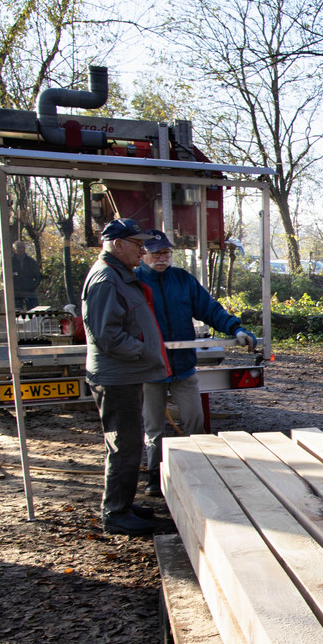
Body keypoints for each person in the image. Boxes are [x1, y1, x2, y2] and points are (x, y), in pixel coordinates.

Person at [136, 230, 256, 497]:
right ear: (142, 254)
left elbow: (210, 309)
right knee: (153, 428)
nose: (162, 258)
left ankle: (200, 470)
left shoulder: (182, 280)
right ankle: (155, 478)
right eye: (155, 253)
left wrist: (235, 330)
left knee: (195, 422)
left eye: (166, 252)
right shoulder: (133, 282)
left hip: (182, 367)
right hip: (150, 369)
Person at [81, 219, 168, 536]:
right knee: (124, 446)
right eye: (137, 244)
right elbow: (108, 336)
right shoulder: (106, 280)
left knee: (128, 444)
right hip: (117, 378)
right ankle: (116, 514)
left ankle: (123, 505)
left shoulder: (118, 275)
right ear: (118, 244)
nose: (143, 250)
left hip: (125, 374)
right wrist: (144, 351)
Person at [10, 241, 42, 311]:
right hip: (16, 292)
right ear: (14, 249)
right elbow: (3, 276)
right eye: (19, 248)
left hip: (29, 291)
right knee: (17, 312)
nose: (21, 249)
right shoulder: (10, 261)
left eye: (23, 247)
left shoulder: (30, 261)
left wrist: (33, 286)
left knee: (34, 311)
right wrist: (12, 287)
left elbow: (38, 276)